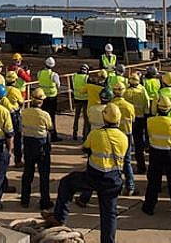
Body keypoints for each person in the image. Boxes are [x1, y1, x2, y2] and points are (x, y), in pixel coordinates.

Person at [42, 103, 127, 243]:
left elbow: (85, 148)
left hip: (93, 177)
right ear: (118, 120)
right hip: (112, 180)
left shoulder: (96, 134)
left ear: (104, 119)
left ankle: (59, 217)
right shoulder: (124, 138)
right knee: (109, 215)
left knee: (66, 183)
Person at [141, 96, 171, 217]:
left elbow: (149, 135)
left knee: (154, 182)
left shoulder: (150, 121)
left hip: (156, 153)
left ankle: (149, 206)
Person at [20, 88, 53, 210]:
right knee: (44, 175)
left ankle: (24, 200)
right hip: (41, 146)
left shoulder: (24, 112)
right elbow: (50, 128)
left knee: (28, 173)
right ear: (42, 101)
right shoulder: (45, 115)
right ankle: (45, 201)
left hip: (28, 144)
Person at [111, 81, 137, 195]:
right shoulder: (129, 106)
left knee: (112, 162)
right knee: (127, 162)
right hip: (126, 135)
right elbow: (133, 120)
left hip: (113, 134)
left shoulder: (110, 105)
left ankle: (114, 186)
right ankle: (130, 186)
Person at [125, 73, 150, 174]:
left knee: (127, 144)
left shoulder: (126, 92)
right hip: (141, 119)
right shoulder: (142, 90)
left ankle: (126, 167)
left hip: (129, 120)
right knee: (139, 145)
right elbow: (147, 104)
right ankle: (141, 167)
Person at [38, 57, 62, 142]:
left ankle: (43, 133)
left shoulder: (40, 73)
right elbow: (58, 85)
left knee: (43, 116)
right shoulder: (54, 75)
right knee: (51, 117)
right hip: (52, 98)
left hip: (42, 97)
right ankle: (53, 135)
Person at [4, 71, 25, 167]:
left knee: (5, 138)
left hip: (4, 114)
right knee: (17, 138)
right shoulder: (15, 91)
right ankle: (18, 160)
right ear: (15, 80)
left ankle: (4, 160)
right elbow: (21, 102)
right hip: (14, 116)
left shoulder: (2, 89)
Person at [72, 64, 90, 140]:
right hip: (85, 99)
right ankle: (84, 135)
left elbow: (72, 86)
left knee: (76, 117)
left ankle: (74, 134)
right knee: (86, 118)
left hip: (77, 98)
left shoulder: (74, 76)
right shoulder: (86, 77)